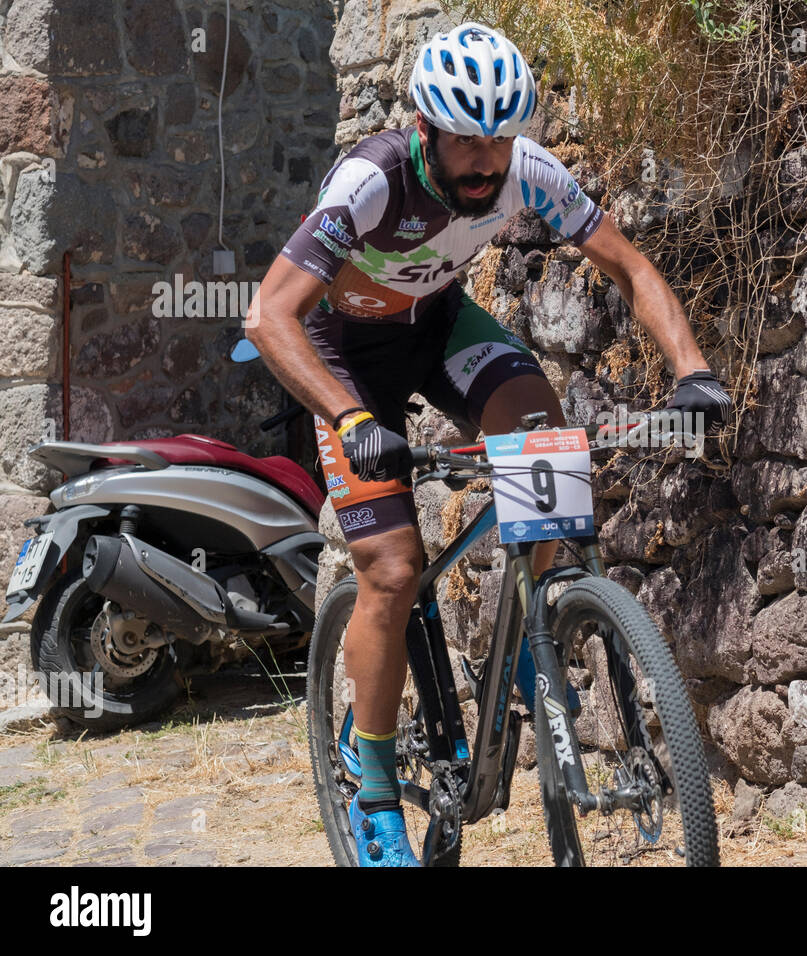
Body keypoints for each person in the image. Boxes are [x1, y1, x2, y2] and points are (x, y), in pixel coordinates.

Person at [245, 21, 730, 866]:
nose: (485, 161)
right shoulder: (371, 181)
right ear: (426, 129)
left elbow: (630, 265)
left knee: (543, 441)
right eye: (467, 140)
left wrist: (693, 371)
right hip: (339, 352)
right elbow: (269, 315)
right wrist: (355, 422)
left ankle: (539, 635)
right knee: (392, 569)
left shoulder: (526, 173)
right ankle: (376, 791)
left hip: (434, 329)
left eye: (499, 140)